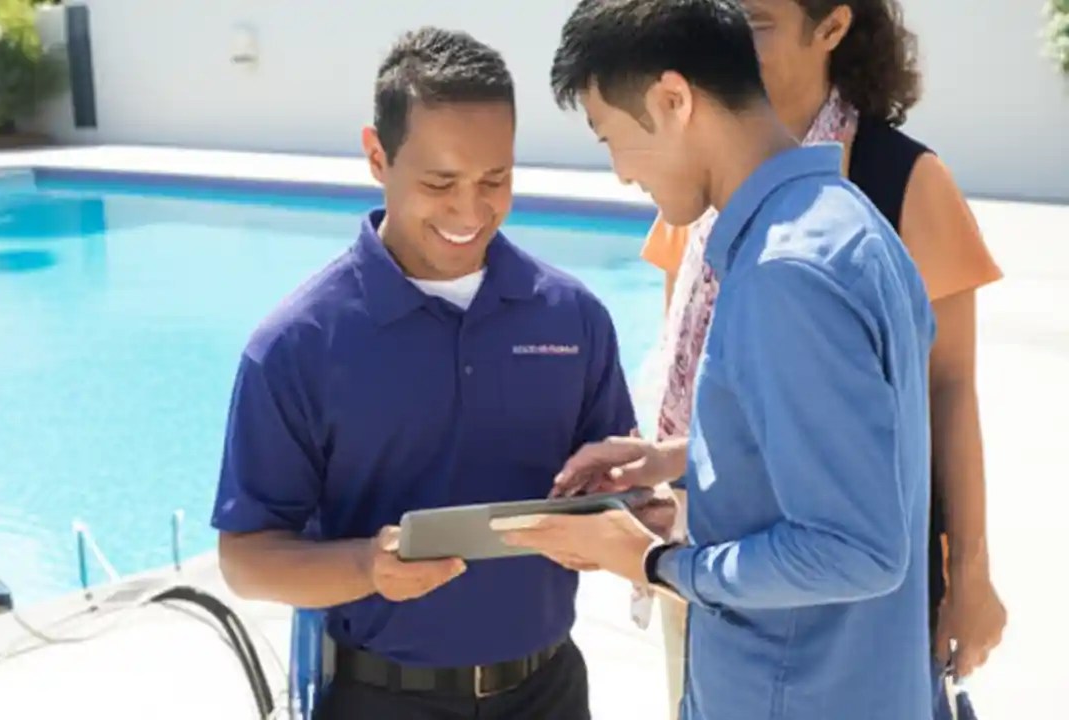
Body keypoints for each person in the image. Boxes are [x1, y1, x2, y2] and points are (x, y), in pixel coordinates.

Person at [499, 1, 937, 718]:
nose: (618, 174)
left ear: (673, 101)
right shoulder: (846, 225)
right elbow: (853, 448)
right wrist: (674, 458)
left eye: (612, 138)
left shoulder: (784, 271)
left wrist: (652, 562)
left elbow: (856, 549)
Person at [211, 26, 637, 720]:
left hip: (550, 692)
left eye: (494, 180)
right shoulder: (295, 344)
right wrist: (365, 567)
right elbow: (247, 559)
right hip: (381, 700)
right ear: (377, 156)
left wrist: (619, 521)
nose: (471, 212)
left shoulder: (573, 317)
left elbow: (621, 490)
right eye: (440, 182)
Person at [640, 2, 1006, 716]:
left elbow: (949, 392)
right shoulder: (685, 185)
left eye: (757, 20)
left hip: (849, 595)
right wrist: (660, 471)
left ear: (833, 28)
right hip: (705, 564)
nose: (732, 41)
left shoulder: (903, 181)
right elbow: (710, 391)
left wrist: (971, 574)